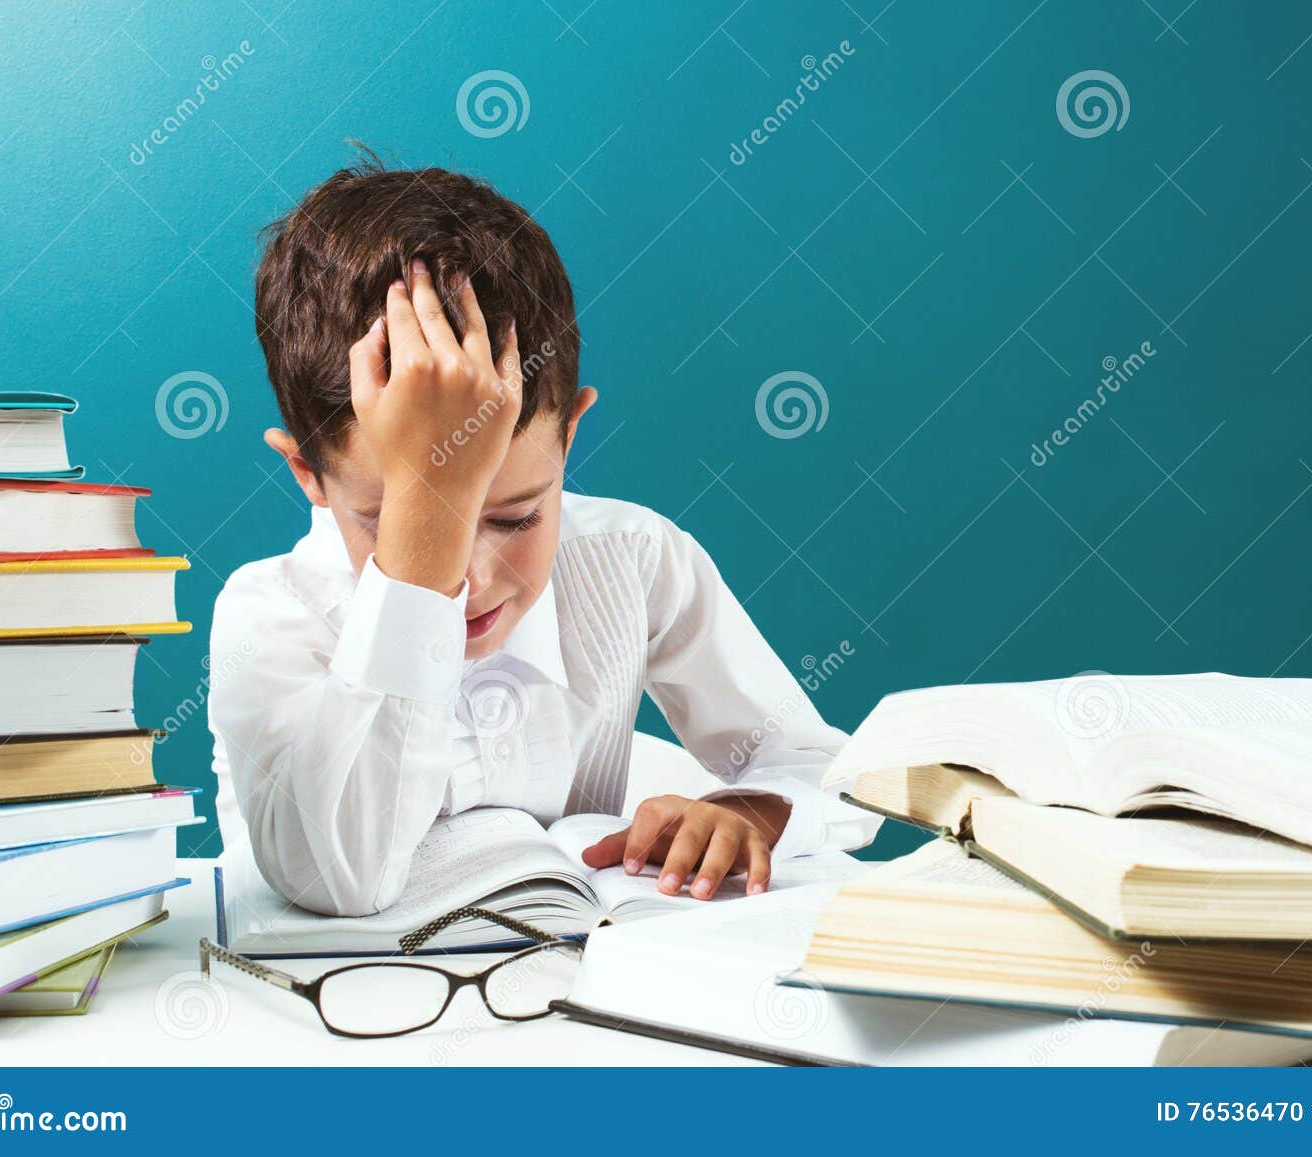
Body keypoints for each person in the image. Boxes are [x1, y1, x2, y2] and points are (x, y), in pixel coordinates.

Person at [207, 156, 879, 917]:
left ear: (569, 440)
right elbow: (341, 879)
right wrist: (424, 528)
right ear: (308, 476)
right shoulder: (268, 617)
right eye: (391, 516)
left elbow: (831, 766)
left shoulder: (632, 558)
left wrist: (750, 814)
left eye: (515, 516)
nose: (473, 579)